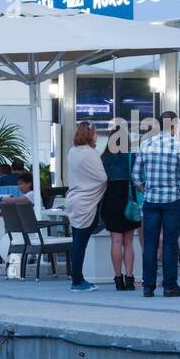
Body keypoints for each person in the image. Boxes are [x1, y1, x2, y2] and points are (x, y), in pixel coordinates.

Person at [132, 111, 180, 297]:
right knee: (169, 243)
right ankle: (169, 286)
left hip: (151, 202)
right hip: (172, 201)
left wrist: (146, 190)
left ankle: (148, 287)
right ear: (174, 126)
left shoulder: (146, 145)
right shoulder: (178, 146)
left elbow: (135, 176)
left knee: (149, 244)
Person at [64, 122, 107, 292]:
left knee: (77, 242)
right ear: (91, 134)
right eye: (96, 133)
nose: (97, 136)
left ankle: (78, 277)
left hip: (73, 200)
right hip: (86, 203)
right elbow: (102, 178)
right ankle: (77, 282)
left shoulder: (72, 151)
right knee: (80, 244)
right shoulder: (91, 153)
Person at [100, 130, 141, 290]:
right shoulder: (132, 157)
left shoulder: (103, 159)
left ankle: (118, 279)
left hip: (110, 201)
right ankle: (130, 278)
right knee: (129, 242)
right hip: (129, 202)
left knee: (116, 241)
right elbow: (138, 179)